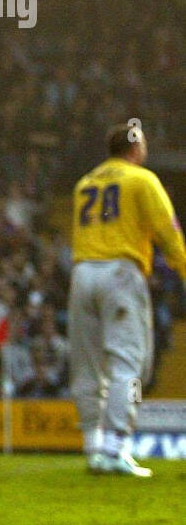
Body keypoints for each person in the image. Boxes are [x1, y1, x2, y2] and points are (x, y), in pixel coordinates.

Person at [68, 121, 186, 476]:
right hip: (121, 273)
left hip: (82, 272)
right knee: (126, 363)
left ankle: (93, 449)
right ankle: (116, 447)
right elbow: (169, 232)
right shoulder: (141, 179)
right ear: (137, 150)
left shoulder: (85, 183)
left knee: (87, 365)